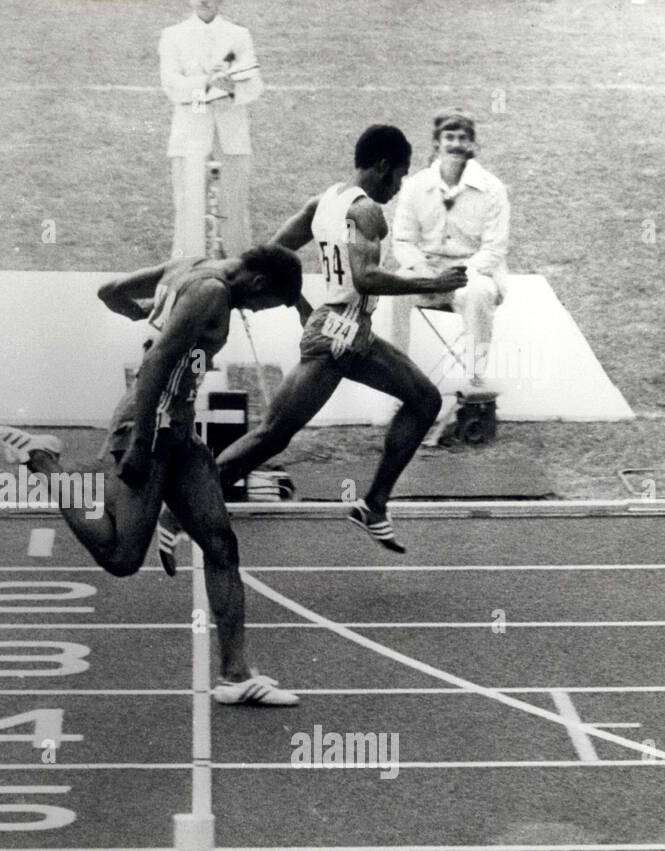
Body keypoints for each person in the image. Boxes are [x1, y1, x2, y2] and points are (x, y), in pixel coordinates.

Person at [0, 246, 303, 706]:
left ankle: (235, 675)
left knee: (220, 544)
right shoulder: (212, 293)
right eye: (262, 306)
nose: (253, 313)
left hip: (179, 428)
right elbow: (154, 364)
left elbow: (109, 293)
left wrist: (151, 315)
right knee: (121, 556)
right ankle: (44, 464)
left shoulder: (189, 265)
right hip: (149, 426)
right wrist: (140, 440)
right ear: (257, 283)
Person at [159, 125, 468, 557]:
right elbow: (365, 278)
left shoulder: (322, 202)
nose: (398, 188)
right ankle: (176, 511)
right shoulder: (369, 213)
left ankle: (375, 505)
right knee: (270, 435)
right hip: (339, 339)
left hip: (340, 330)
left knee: (423, 400)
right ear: (382, 167)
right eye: (398, 176)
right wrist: (432, 280)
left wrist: (297, 302)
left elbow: (271, 255)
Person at [388, 108, 510, 389]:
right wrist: (426, 273)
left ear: (471, 145)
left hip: (474, 272)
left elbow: (494, 248)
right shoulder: (415, 186)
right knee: (395, 290)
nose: (455, 144)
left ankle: (476, 380)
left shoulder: (492, 188)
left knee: (478, 293)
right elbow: (403, 240)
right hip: (427, 269)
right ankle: (399, 380)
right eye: (449, 137)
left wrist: (460, 275)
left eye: (463, 138)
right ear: (436, 143)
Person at [160, 0, 263, 260]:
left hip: (232, 139)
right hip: (189, 139)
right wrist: (208, 83)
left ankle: (239, 279)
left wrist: (230, 86)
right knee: (189, 213)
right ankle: (186, 279)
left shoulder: (239, 36)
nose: (205, 1)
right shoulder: (173, 35)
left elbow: (254, 86)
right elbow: (172, 86)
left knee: (235, 212)